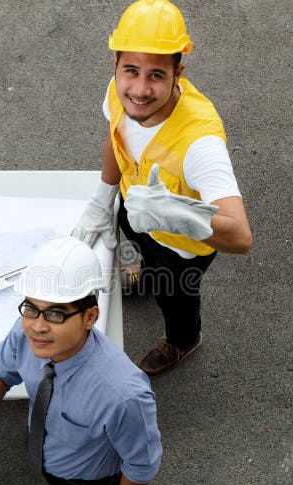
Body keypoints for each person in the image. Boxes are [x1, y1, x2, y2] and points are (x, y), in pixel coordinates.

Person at [72, 0, 253, 377]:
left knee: (173, 293)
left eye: (156, 75)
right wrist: (104, 198)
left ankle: (183, 339)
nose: (139, 89)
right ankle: (145, 272)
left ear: (178, 73)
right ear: (116, 67)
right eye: (131, 71)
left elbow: (240, 236)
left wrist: (178, 215)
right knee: (140, 249)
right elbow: (115, 138)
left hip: (181, 248)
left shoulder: (200, 143)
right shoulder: (117, 94)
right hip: (134, 208)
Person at [0, 237, 162, 485]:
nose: (38, 326)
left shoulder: (124, 395)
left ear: (90, 317)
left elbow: (142, 462)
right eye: (31, 308)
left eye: (55, 313)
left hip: (87, 484)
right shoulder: (29, 331)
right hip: (53, 457)